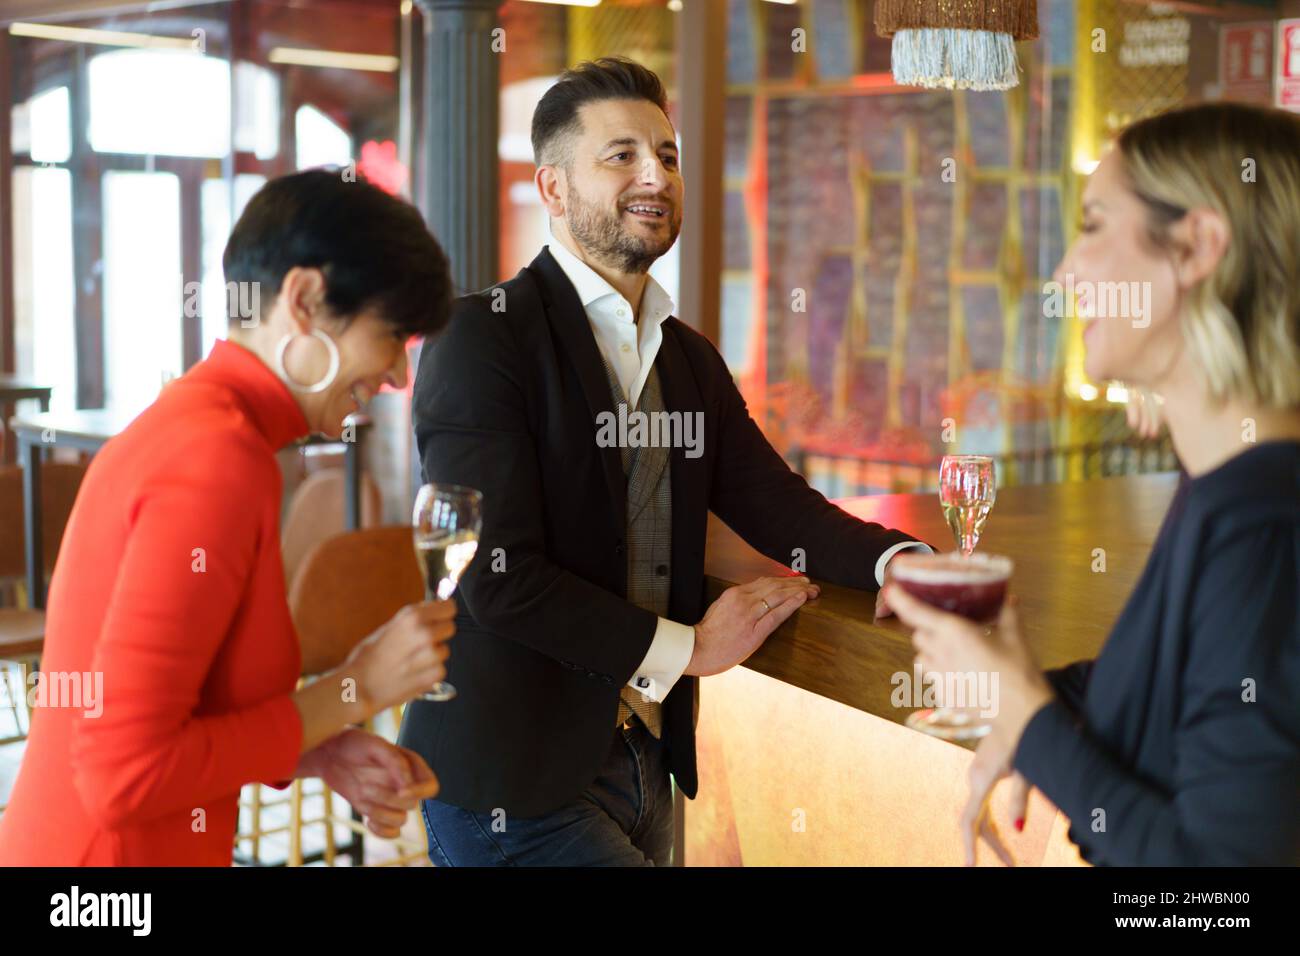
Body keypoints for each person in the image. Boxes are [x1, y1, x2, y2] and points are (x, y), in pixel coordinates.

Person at [401, 57, 932, 866]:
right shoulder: (483, 337)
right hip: (511, 778)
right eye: (621, 155)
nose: (655, 175)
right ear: (552, 187)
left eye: (669, 156)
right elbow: (496, 574)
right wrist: (693, 650)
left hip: (648, 761)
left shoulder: (686, 358)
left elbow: (778, 507)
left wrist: (900, 563)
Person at [0, 170, 457, 866]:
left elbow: (178, 718)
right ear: (303, 300)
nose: (397, 373)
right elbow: (122, 773)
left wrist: (318, 748)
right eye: (391, 335)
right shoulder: (217, 458)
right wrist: (356, 684)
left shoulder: (204, 425)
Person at [885, 102, 1300, 866]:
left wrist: (1032, 723)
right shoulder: (1229, 489)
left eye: (1095, 224)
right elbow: (1185, 693)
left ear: (1196, 247)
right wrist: (1031, 699)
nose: (1065, 271)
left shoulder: (1265, 525)